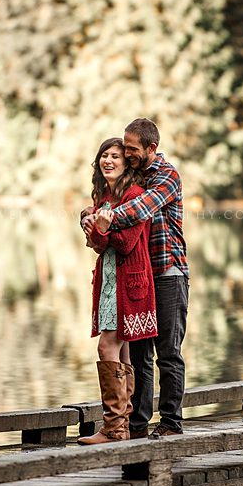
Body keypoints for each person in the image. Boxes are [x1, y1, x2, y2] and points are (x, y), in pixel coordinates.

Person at [83, 118, 189, 438]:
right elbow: (109, 203)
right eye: (124, 148)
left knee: (168, 353)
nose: (126, 154)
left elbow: (142, 208)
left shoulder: (167, 177)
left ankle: (170, 423)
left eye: (132, 149)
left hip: (168, 272)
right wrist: (89, 215)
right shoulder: (136, 176)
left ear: (150, 149)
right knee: (140, 356)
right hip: (140, 277)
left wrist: (104, 219)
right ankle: (137, 425)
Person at [78, 137, 157, 445]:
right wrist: (98, 228)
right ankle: (121, 428)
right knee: (122, 353)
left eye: (115, 156)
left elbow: (125, 244)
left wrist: (101, 229)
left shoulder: (135, 195)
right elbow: (96, 244)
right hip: (108, 281)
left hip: (130, 283)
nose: (108, 160)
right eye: (104, 156)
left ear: (126, 163)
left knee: (106, 348)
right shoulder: (104, 198)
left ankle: (112, 427)